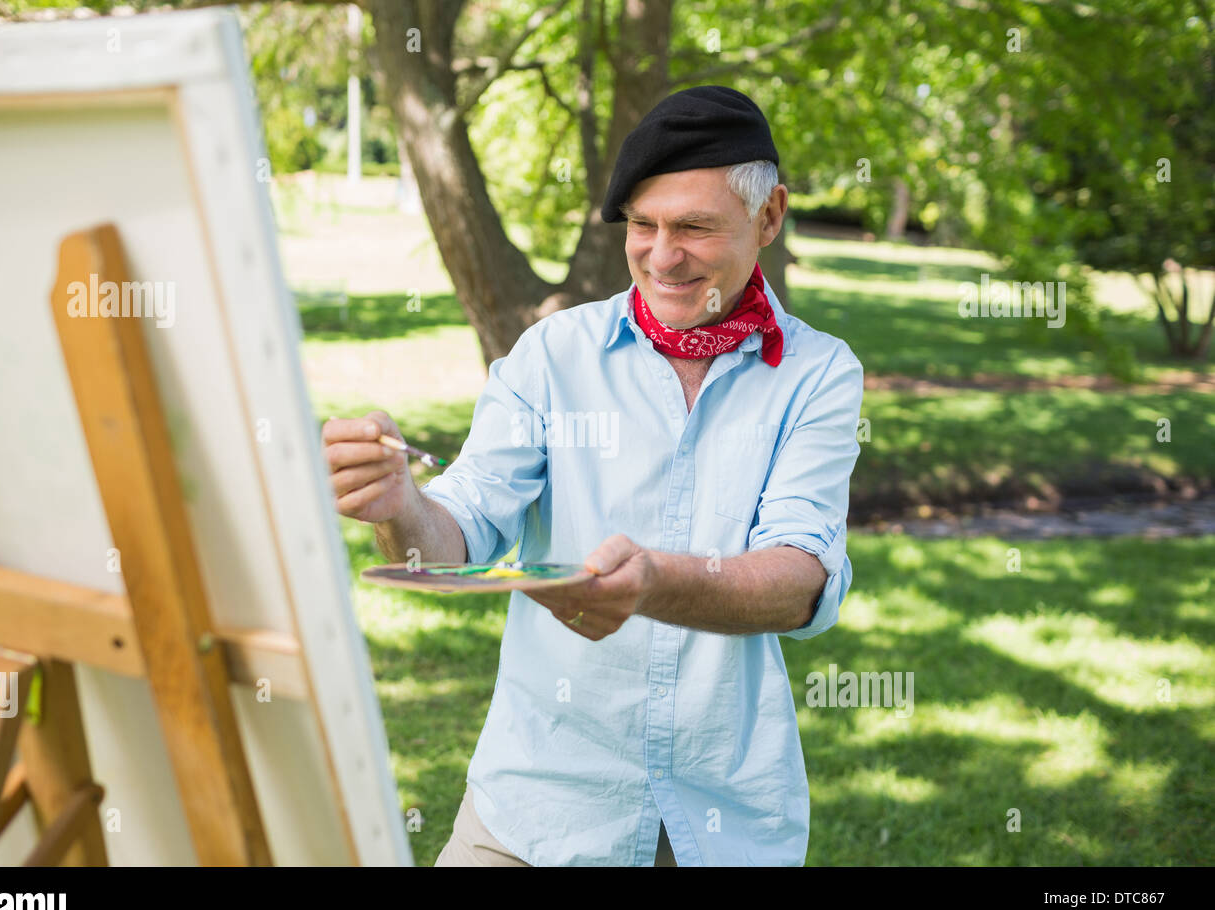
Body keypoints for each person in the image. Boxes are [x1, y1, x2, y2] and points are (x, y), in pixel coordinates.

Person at [323, 86, 864, 866]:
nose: (661, 254)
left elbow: (799, 581)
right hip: (534, 812)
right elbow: (452, 543)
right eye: (643, 226)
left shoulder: (818, 374)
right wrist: (401, 504)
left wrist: (652, 580)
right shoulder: (552, 356)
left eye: (694, 227)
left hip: (720, 821)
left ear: (769, 217)